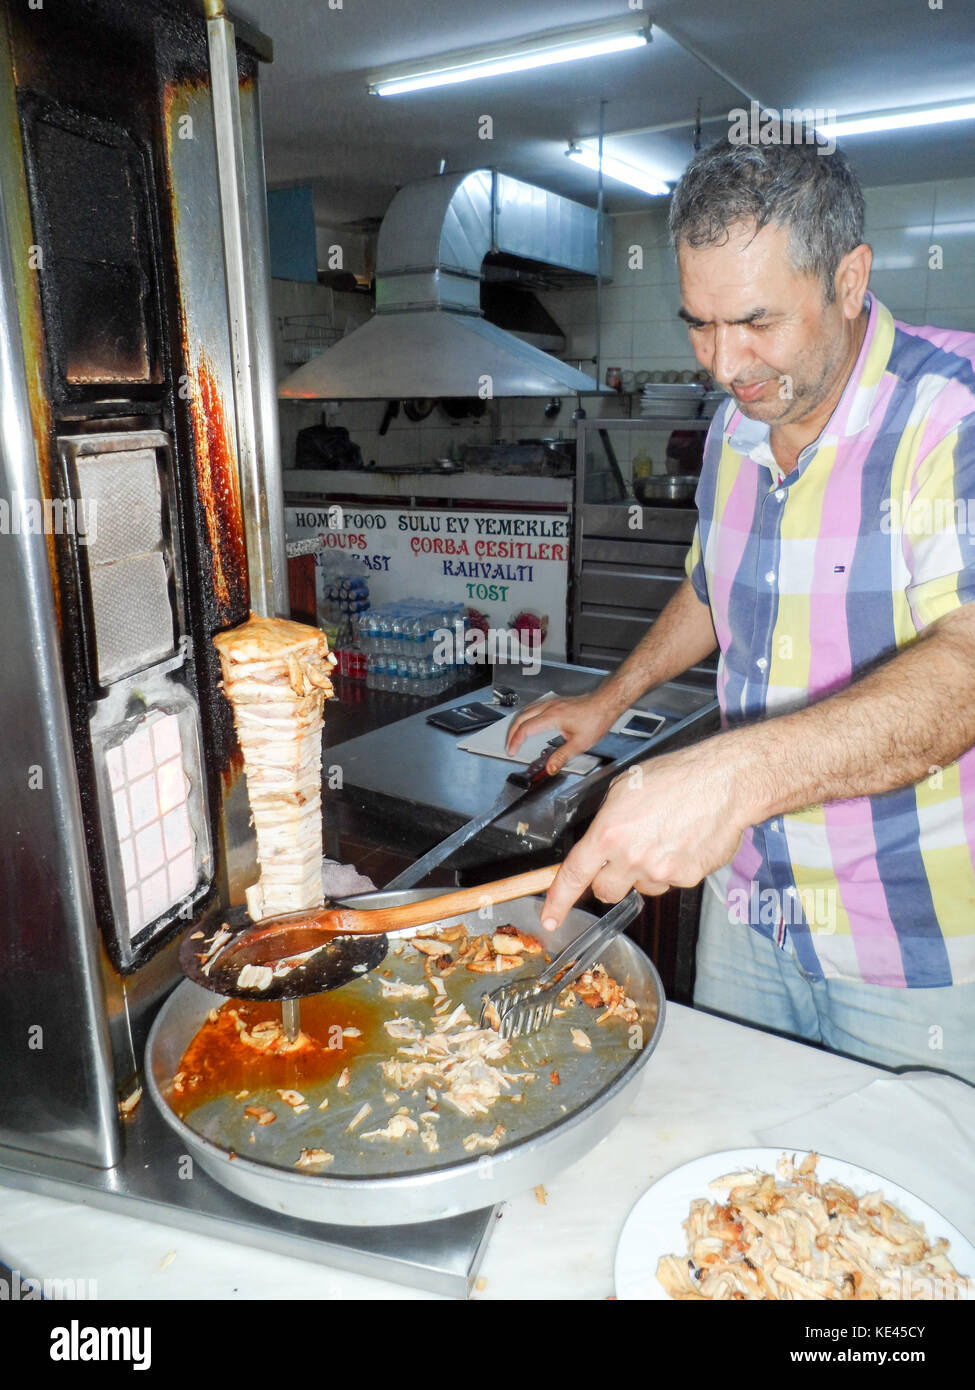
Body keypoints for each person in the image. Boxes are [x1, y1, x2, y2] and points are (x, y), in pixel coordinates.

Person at [507, 133, 975, 1085]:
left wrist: (729, 778)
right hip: (751, 913)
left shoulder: (951, 418)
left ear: (848, 279)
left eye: (756, 321)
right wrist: (611, 697)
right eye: (699, 325)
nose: (725, 363)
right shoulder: (737, 424)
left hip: (916, 947)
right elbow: (717, 586)